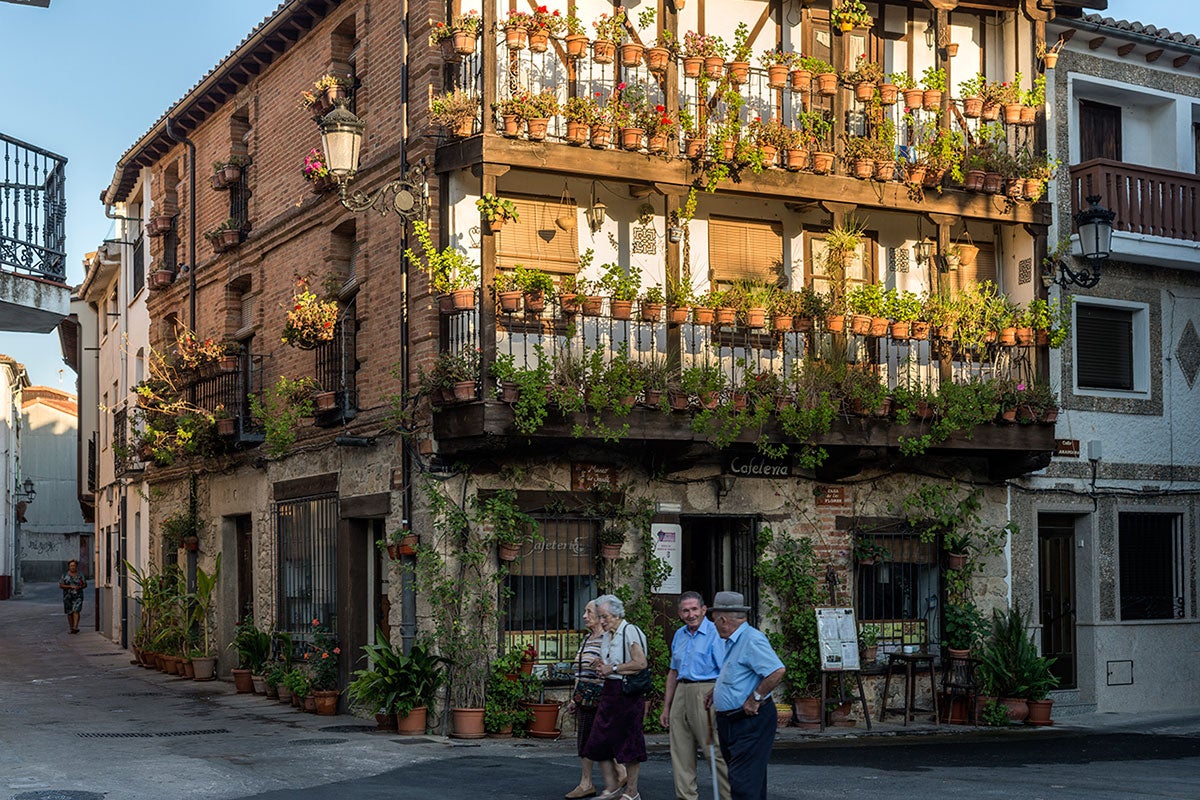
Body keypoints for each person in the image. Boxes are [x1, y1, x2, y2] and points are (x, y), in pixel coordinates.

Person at [706, 591, 785, 800]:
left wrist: (755, 698)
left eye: (714, 620)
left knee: (744, 783)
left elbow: (776, 670)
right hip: (732, 721)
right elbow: (739, 674)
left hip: (749, 721)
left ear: (723, 619)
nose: (713, 625)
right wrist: (716, 691)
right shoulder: (733, 641)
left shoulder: (751, 639)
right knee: (746, 781)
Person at [660, 591, 730, 800]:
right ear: (680, 613)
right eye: (685, 610)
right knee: (680, 751)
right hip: (682, 690)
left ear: (703, 610)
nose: (691, 614)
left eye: (694, 609)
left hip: (706, 690)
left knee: (713, 750)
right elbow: (673, 672)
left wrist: (716, 696)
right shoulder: (680, 635)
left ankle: (728, 796)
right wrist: (667, 707)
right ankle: (686, 797)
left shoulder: (715, 633)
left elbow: (726, 670)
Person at [583, 594, 648, 800]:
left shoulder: (630, 632)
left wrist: (614, 668)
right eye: (600, 616)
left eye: (605, 616)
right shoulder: (609, 635)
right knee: (599, 741)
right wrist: (602, 667)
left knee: (629, 743)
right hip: (610, 691)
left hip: (627, 693)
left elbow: (640, 663)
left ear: (617, 613)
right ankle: (612, 787)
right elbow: (610, 664)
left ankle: (632, 791)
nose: (601, 621)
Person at [565, 600, 626, 799]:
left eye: (589, 612)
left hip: (603, 695)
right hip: (584, 696)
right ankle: (586, 783)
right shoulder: (586, 639)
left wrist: (602, 663)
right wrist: (574, 698)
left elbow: (618, 666)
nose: (584, 616)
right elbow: (579, 671)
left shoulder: (610, 639)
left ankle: (621, 776)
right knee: (584, 739)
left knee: (605, 738)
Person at [58, 559, 86, 634]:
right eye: (71, 566)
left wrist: (79, 587)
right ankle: (71, 627)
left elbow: (84, 584)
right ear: (69, 567)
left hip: (78, 596)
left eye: (74, 565)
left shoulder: (80, 575)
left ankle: (75, 627)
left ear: (76, 566)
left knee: (76, 610)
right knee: (69, 612)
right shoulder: (65, 575)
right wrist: (70, 586)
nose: (72, 567)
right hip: (67, 596)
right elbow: (60, 585)